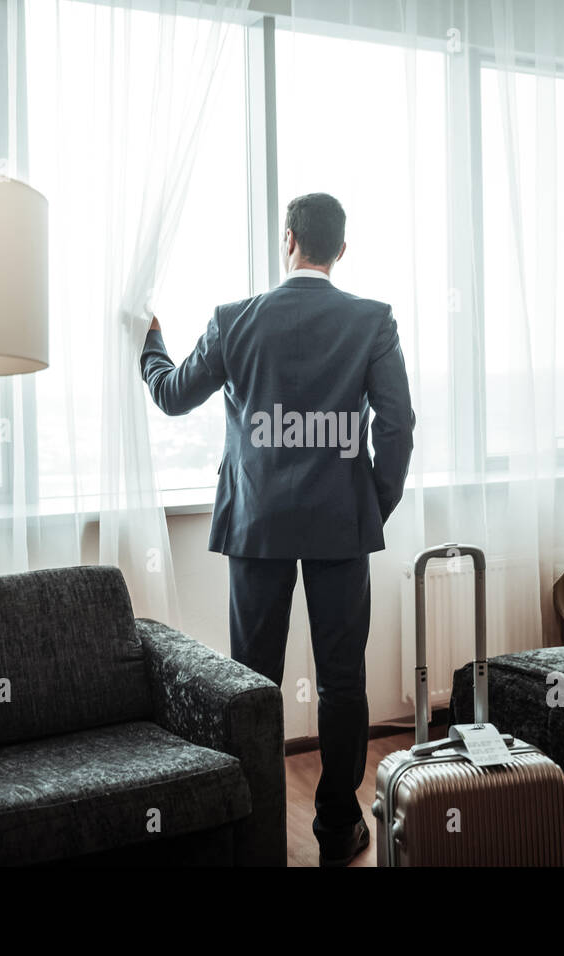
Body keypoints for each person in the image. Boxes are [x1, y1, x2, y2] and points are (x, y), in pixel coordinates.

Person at [139, 192, 415, 866]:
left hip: (257, 525)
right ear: (339, 251)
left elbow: (173, 394)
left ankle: (255, 826)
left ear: (287, 240)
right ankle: (335, 826)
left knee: (253, 681)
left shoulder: (235, 321)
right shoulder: (371, 320)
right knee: (342, 681)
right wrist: (368, 507)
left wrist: (150, 340)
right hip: (339, 526)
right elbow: (397, 427)